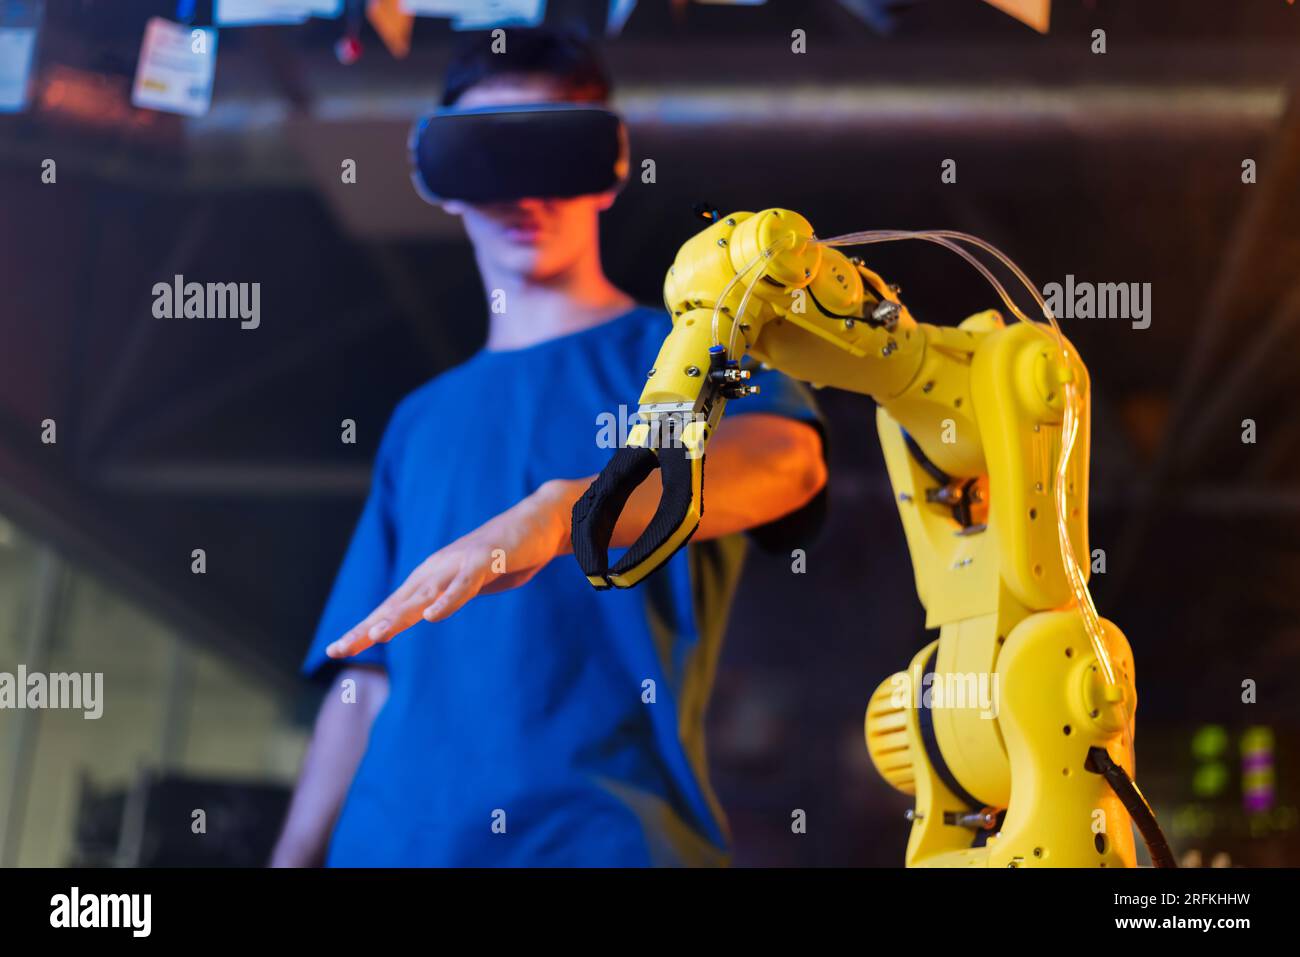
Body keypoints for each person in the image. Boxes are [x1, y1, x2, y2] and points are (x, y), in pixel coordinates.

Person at [271, 28, 827, 867]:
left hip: (602, 843)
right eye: (490, 152)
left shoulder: (679, 356)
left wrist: (571, 510)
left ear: (605, 170)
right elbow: (366, 677)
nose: (521, 191)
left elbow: (787, 463)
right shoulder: (420, 420)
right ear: (445, 182)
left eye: (552, 149)